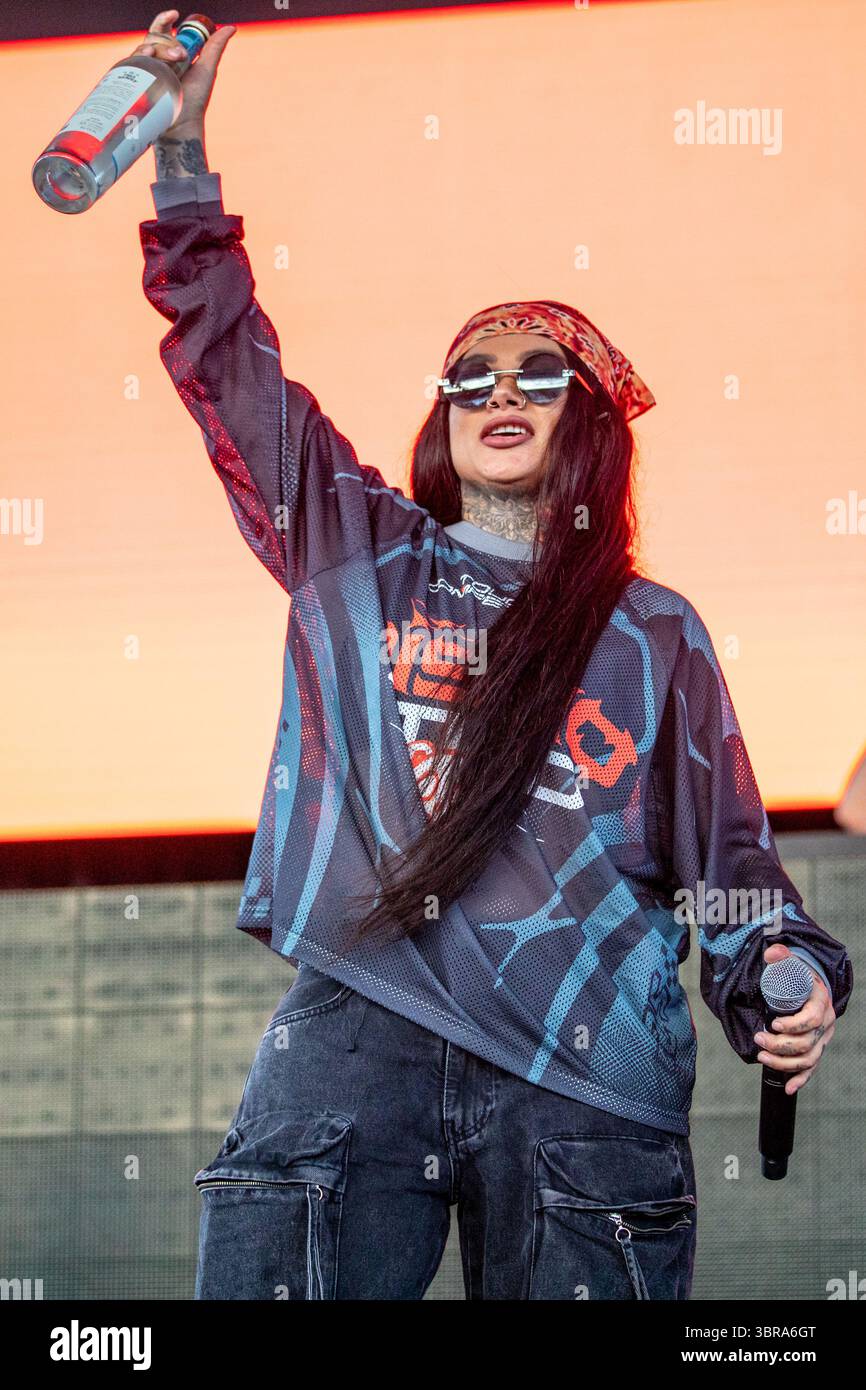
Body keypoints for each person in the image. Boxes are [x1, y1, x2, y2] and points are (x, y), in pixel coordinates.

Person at [137, 12, 853, 1300]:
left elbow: (731, 869)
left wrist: (782, 968)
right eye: (471, 376)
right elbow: (229, 369)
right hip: (363, 1025)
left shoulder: (655, 632)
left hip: (586, 1074)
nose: (501, 392)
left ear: (591, 429)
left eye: (540, 373)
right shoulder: (355, 551)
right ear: (443, 417)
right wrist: (182, 163)